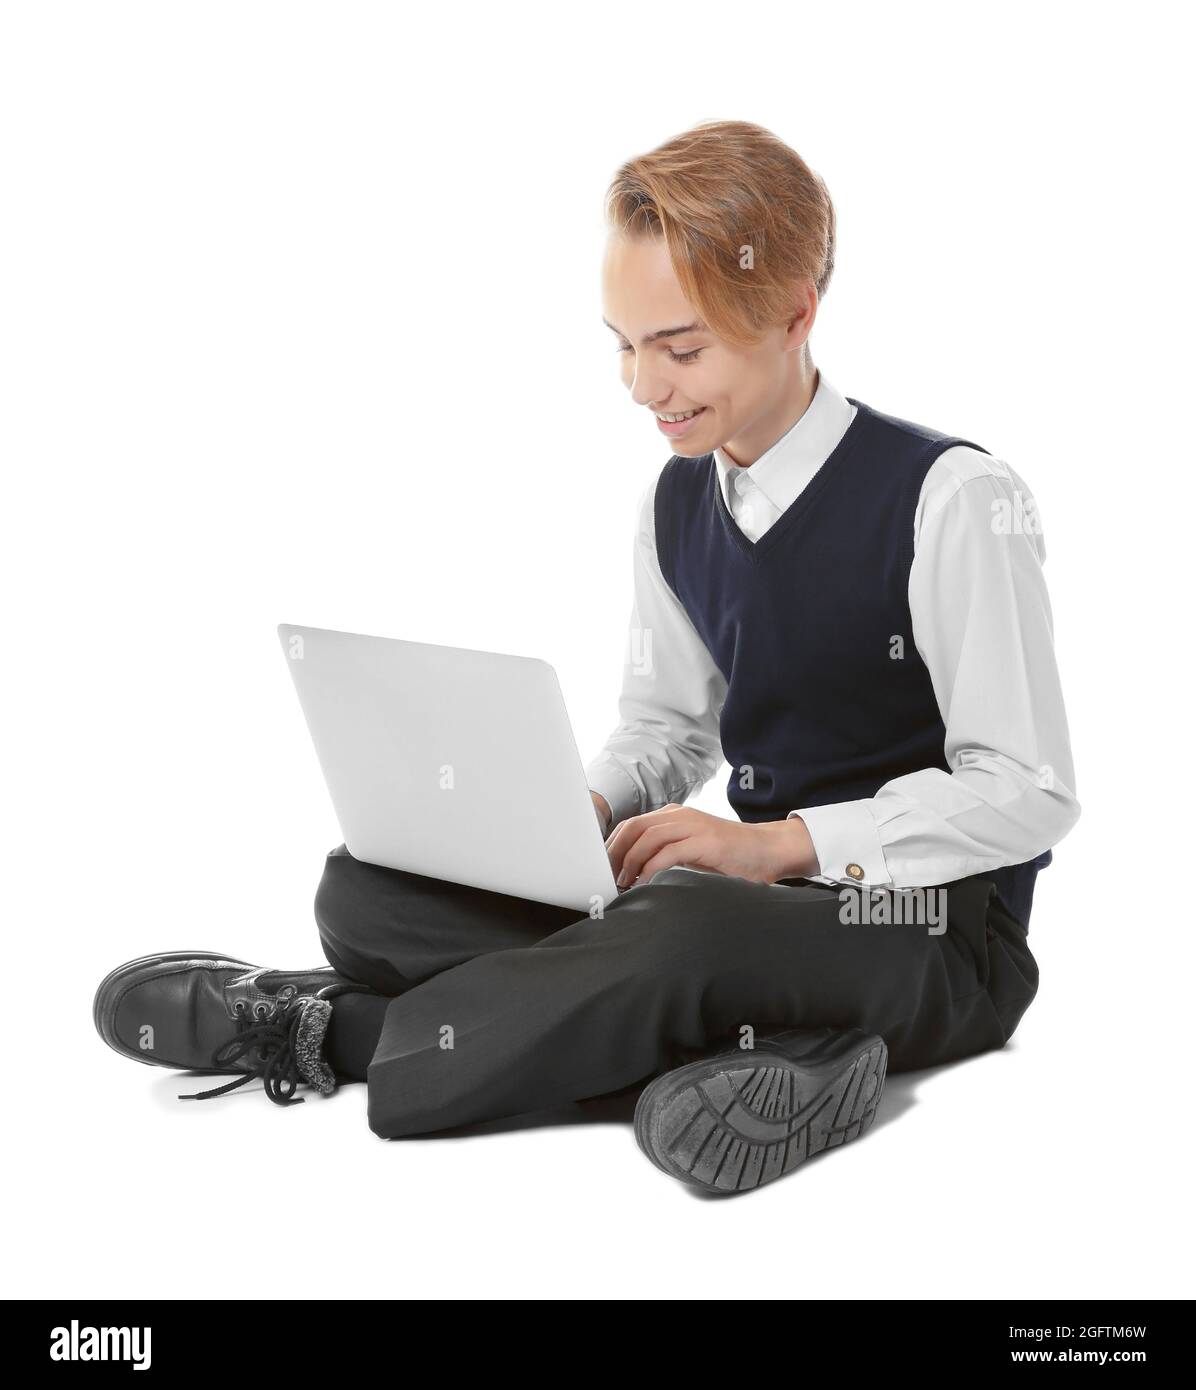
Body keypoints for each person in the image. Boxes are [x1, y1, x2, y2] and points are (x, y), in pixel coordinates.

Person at [92, 119, 1080, 1196]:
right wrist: (578, 820)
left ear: (793, 313)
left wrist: (782, 846)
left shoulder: (953, 500)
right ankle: (761, 1050)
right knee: (366, 895)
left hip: (932, 928)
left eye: (680, 346)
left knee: (684, 928)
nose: (641, 384)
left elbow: (1025, 793)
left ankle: (334, 1032)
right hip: (758, 910)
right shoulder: (675, 503)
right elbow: (666, 729)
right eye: (623, 341)